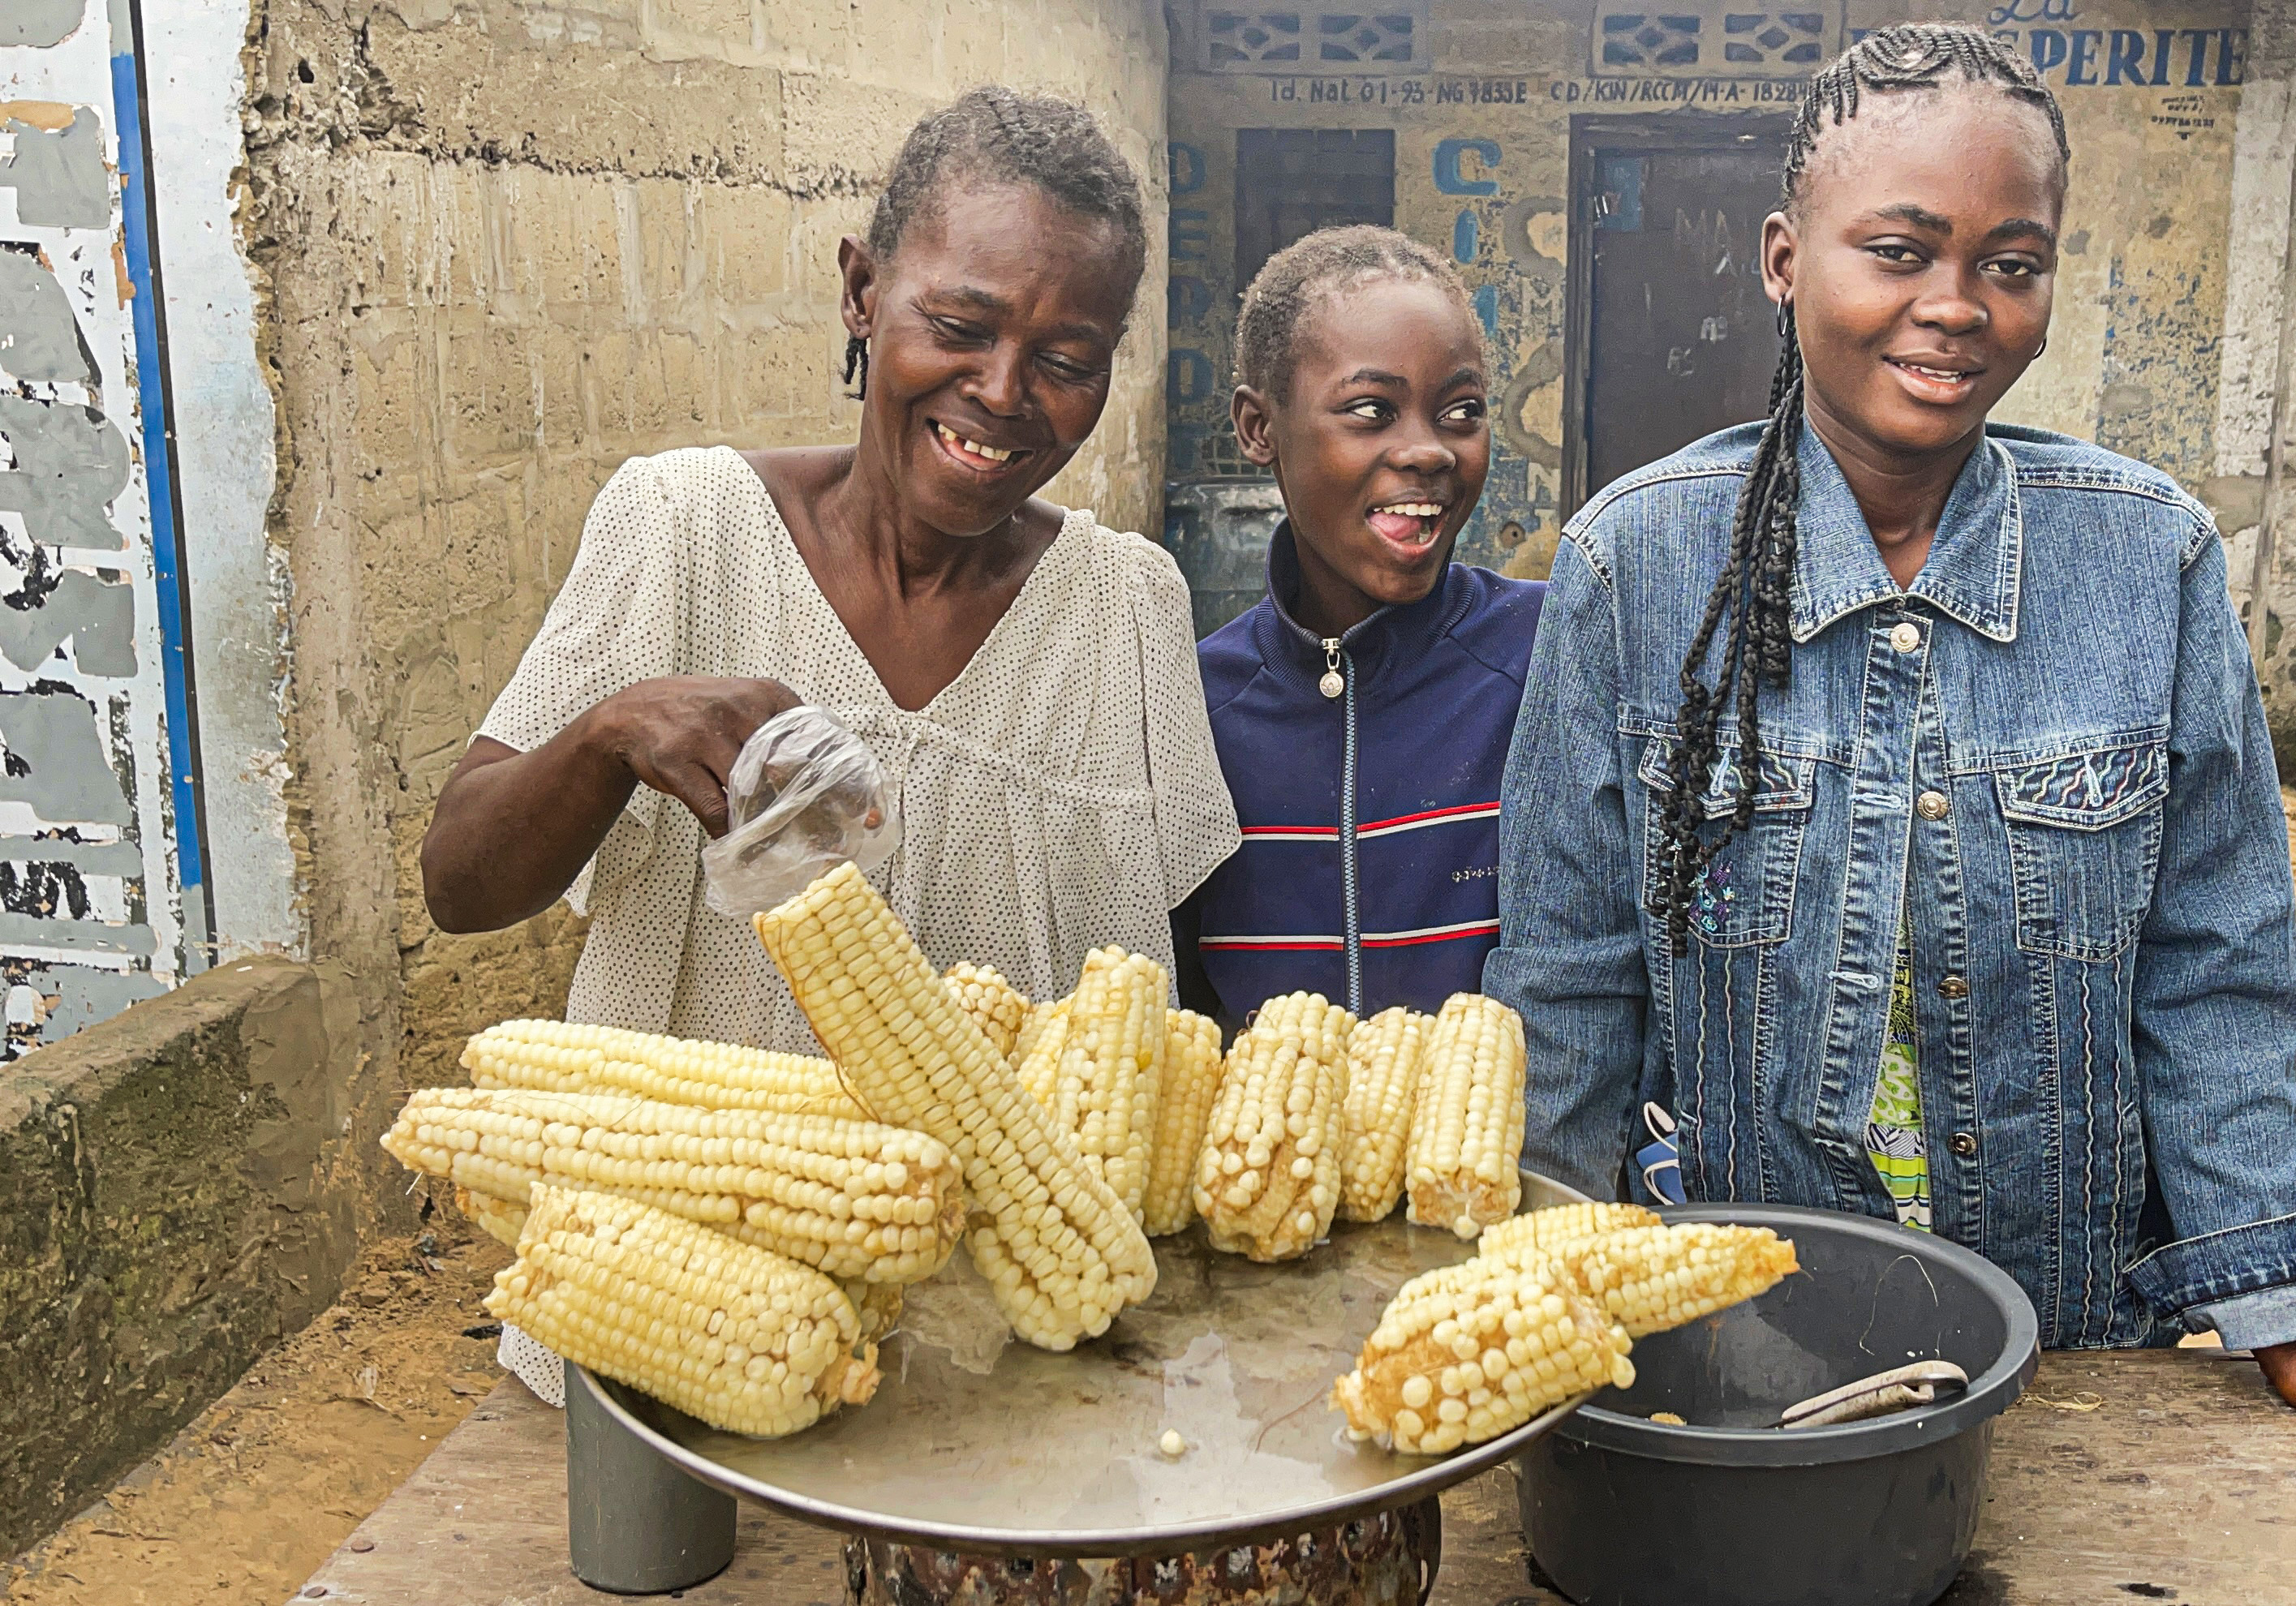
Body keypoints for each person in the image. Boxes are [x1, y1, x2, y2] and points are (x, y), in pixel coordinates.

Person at [1487, 25, 2296, 1459]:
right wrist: (1531, 1294)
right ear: (1786, 259)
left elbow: (2215, 971)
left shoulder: (2151, 566)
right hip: (1742, 1353)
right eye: (1897, 251)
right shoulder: (1631, 569)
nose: (1954, 306)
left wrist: (2281, 1301)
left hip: (2069, 1349)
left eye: (2008, 264)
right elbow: (1570, 989)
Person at [419, 87, 1238, 1402]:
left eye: (1068, 359)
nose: (1002, 395)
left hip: (1006, 1372)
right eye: (959, 328)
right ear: (863, 292)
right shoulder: (684, 528)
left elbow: (1166, 992)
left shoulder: (1130, 606)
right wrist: (613, 731)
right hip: (674, 1351)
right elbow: (459, 885)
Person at [1173, 226, 1541, 1026]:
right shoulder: (1190, 713)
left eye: (1461, 412)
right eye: (1371, 411)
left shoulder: (1545, 662)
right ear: (1257, 427)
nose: (1426, 451)